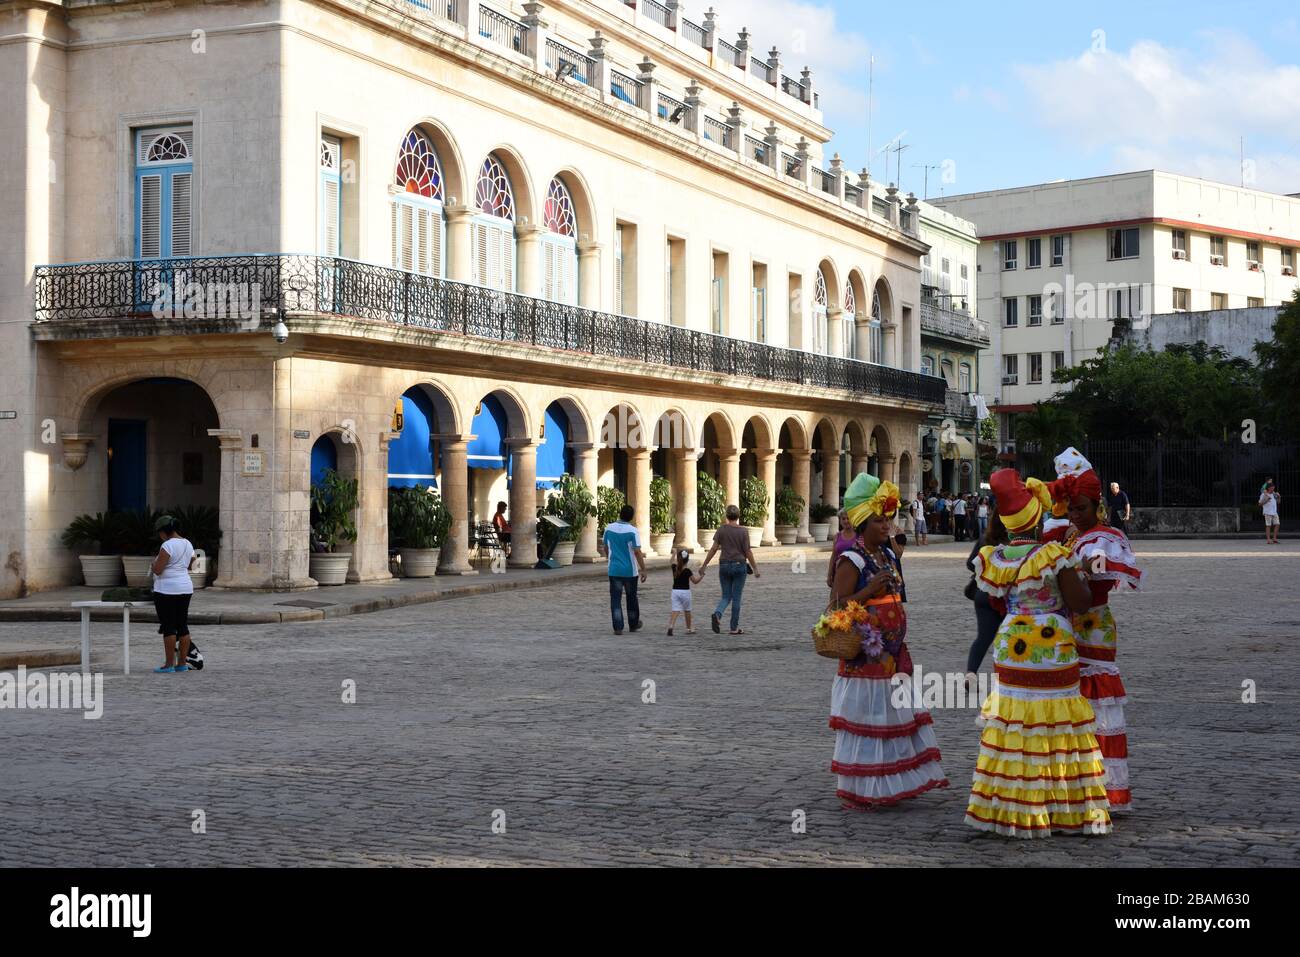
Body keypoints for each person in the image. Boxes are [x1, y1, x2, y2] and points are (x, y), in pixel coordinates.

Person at [965, 468, 1112, 838]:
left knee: (1018, 722)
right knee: (1056, 722)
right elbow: (1080, 603)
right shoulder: (1051, 554)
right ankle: (1062, 805)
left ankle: (1012, 805)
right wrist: (1082, 576)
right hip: (1051, 647)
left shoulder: (995, 556)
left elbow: (993, 598)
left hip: (1012, 645)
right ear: (1038, 517)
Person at [828, 472, 948, 809]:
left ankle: (890, 783)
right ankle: (866, 788)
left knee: (892, 720)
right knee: (870, 722)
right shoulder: (851, 559)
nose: (886, 526)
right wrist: (868, 591)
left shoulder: (890, 556)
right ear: (863, 524)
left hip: (892, 655)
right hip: (866, 656)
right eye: (879, 520)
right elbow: (835, 606)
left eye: (888, 519)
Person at [1050, 447, 1143, 813]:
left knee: (1096, 699)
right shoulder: (1071, 534)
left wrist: (1083, 565)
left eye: (1082, 509)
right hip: (1070, 625)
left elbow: (1102, 571)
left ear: (1097, 506)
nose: (1075, 515)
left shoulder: (1104, 537)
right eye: (1071, 508)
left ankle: (1099, 786)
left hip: (1093, 625)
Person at [964, 512, 1010, 690]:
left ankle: (970, 674)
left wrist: (985, 568)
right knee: (1010, 636)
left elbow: (970, 563)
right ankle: (1008, 675)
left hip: (983, 594)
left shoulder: (986, 538)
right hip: (1006, 595)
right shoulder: (1013, 543)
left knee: (983, 638)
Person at [698, 504, 760, 635]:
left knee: (726, 596)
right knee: (736, 597)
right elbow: (748, 551)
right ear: (738, 517)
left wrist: (704, 565)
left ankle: (718, 614)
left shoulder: (721, 530)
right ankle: (733, 628)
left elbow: (714, 549)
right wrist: (755, 568)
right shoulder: (743, 531)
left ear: (727, 516)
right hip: (739, 565)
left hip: (724, 565)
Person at [151, 514, 197, 674]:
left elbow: (158, 569)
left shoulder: (167, 546)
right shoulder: (188, 543)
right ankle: (182, 664)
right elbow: (192, 566)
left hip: (166, 589)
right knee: (182, 625)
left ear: (164, 532)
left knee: (169, 627)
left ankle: (169, 664)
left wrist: (153, 564)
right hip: (185, 587)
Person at [602, 504, 646, 636]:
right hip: (630, 570)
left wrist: (608, 557)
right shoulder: (632, 531)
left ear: (620, 513)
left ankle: (618, 626)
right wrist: (643, 569)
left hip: (614, 569)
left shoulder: (608, 528)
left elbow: (605, 547)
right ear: (631, 517)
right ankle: (633, 624)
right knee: (631, 597)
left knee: (615, 599)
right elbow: (637, 552)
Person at [668, 548, 703, 636]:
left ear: (678, 559)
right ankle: (689, 628)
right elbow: (695, 581)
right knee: (687, 610)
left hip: (675, 592)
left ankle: (671, 626)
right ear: (687, 560)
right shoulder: (687, 571)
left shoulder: (674, 568)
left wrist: (674, 553)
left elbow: (671, 561)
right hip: (685, 592)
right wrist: (702, 575)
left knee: (675, 610)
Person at [825, 509, 856, 587]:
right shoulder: (837, 536)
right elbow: (834, 556)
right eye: (843, 519)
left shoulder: (859, 535)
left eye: (848, 518)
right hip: (839, 572)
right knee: (838, 597)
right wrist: (829, 575)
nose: (846, 521)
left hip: (855, 573)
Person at [1260, 480, 1281, 544]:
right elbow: (1260, 504)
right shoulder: (1264, 494)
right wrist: (1266, 499)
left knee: (1277, 524)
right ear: (1268, 488)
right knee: (1268, 525)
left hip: (1274, 512)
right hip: (1267, 512)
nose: (1273, 488)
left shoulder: (1274, 494)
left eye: (1273, 487)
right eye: (1272, 487)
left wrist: (1279, 497)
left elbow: (1278, 502)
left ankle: (1274, 538)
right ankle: (1268, 539)